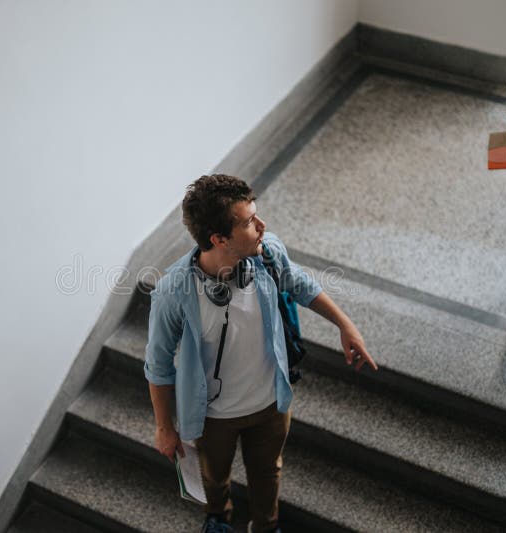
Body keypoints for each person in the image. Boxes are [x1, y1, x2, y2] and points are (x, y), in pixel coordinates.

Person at [144, 174, 377, 533]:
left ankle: (265, 527)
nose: (262, 225)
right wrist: (164, 428)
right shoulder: (173, 292)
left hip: (270, 405)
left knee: (268, 472)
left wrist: (345, 324)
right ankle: (219, 518)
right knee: (214, 476)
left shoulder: (268, 253)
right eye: (249, 221)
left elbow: (300, 284)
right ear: (219, 239)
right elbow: (158, 366)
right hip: (212, 417)